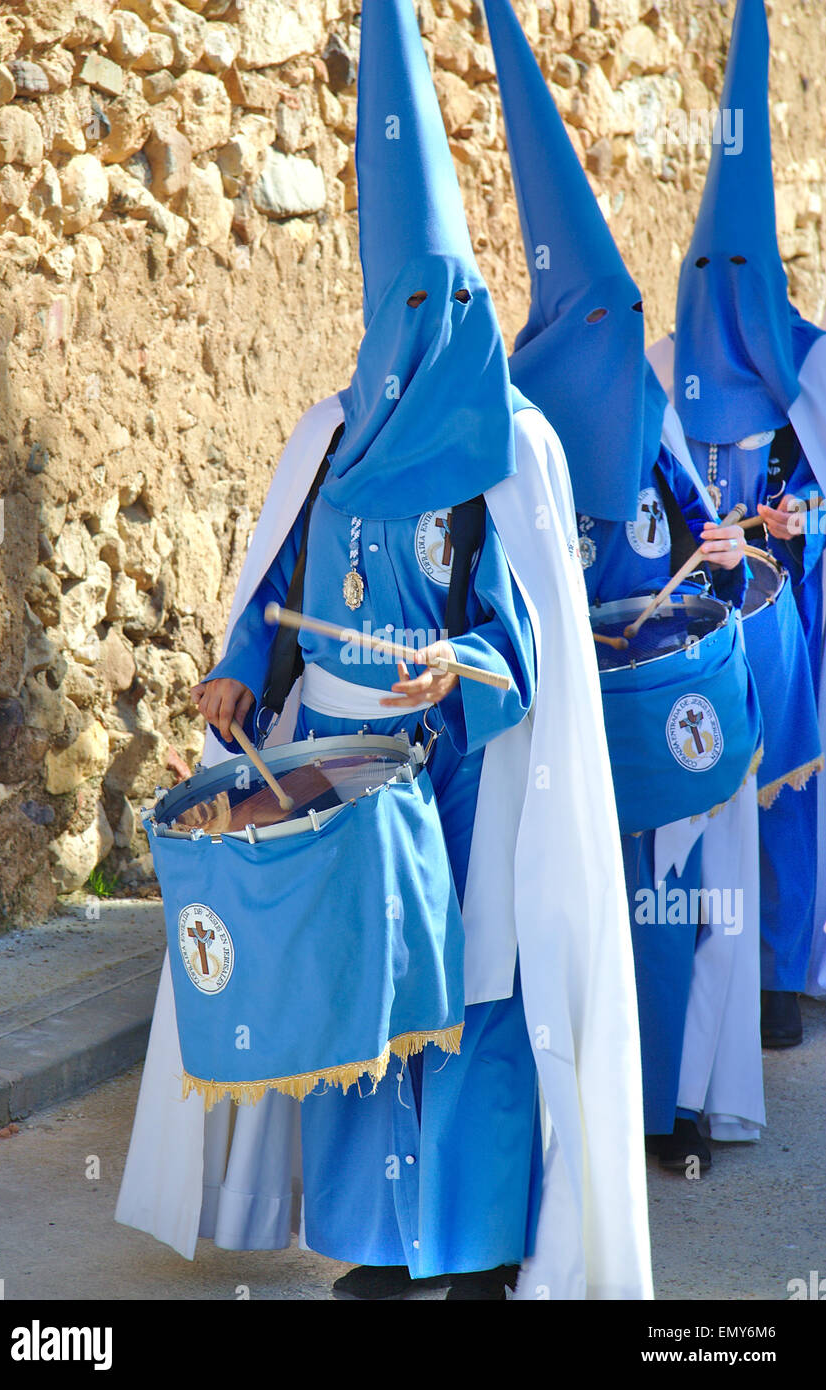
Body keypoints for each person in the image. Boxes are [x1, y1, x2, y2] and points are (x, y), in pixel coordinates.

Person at [117, 0, 651, 1301]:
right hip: (339, 771)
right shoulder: (332, 428)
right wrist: (245, 659)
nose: (413, 326)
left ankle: (471, 1249)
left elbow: (527, 642)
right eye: (393, 300)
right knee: (362, 1006)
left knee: (466, 1008)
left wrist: (453, 671)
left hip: (467, 785)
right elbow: (286, 570)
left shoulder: (510, 447)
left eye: (437, 298)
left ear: (466, 301)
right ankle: (374, 1238)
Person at [483, 0, 765, 1171]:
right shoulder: (521, 438)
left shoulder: (651, 425)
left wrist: (725, 550)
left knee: (679, 908)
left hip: (658, 711)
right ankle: (579, 1113)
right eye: (601, 321)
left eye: (629, 320)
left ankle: (673, 1104)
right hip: (570, 721)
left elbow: (704, 532)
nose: (623, 339)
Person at [651, 0, 826, 1048]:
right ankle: (698, 978)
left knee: (782, 799)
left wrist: (787, 519)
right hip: (681, 626)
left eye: (738, 274)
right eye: (705, 270)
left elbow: (818, 498)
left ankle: (776, 973)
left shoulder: (805, 377)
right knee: (698, 798)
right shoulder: (656, 372)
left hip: (779, 627)